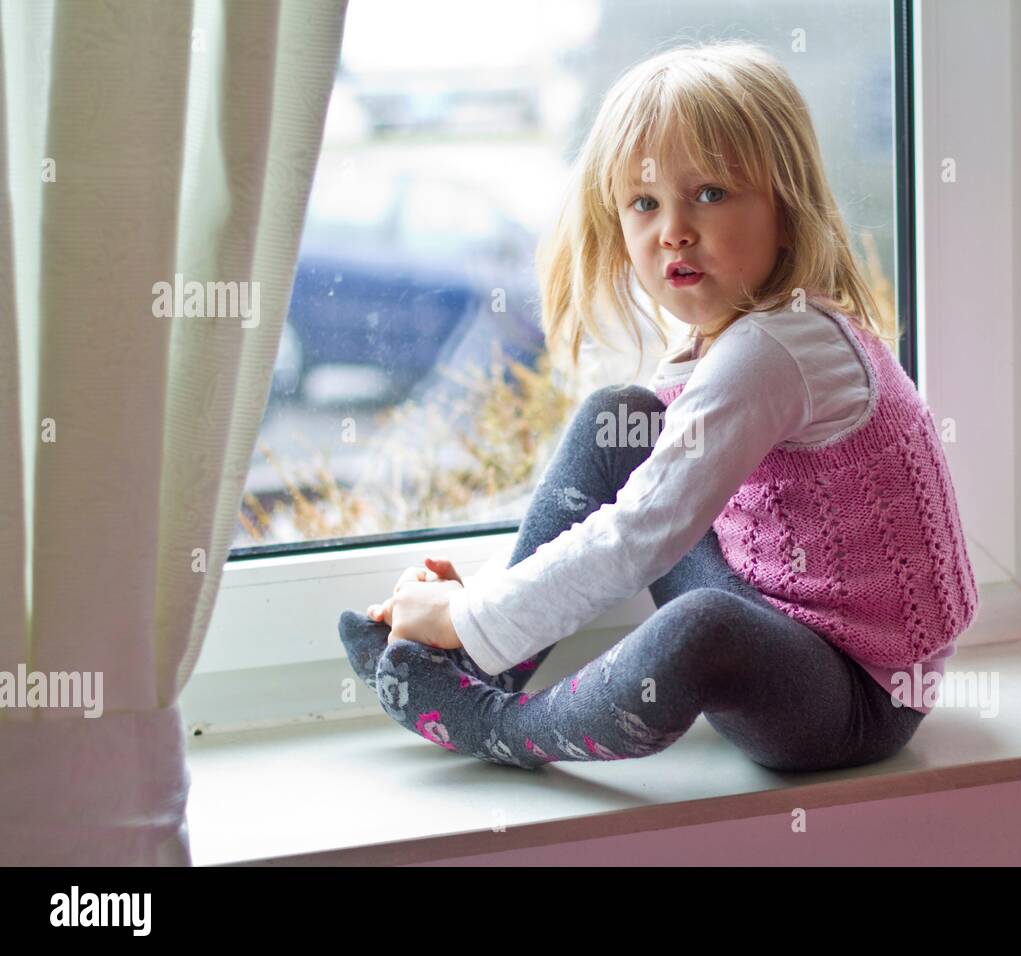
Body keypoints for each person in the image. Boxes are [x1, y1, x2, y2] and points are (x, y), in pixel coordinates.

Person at [337, 40, 979, 771]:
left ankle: (498, 725)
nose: (672, 227)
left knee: (702, 627)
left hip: (855, 699)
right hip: (783, 620)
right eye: (644, 202)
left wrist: (465, 615)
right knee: (620, 418)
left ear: (785, 202)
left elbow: (642, 531)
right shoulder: (726, 345)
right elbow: (638, 510)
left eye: (709, 193)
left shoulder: (775, 350)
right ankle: (485, 664)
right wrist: (484, 597)